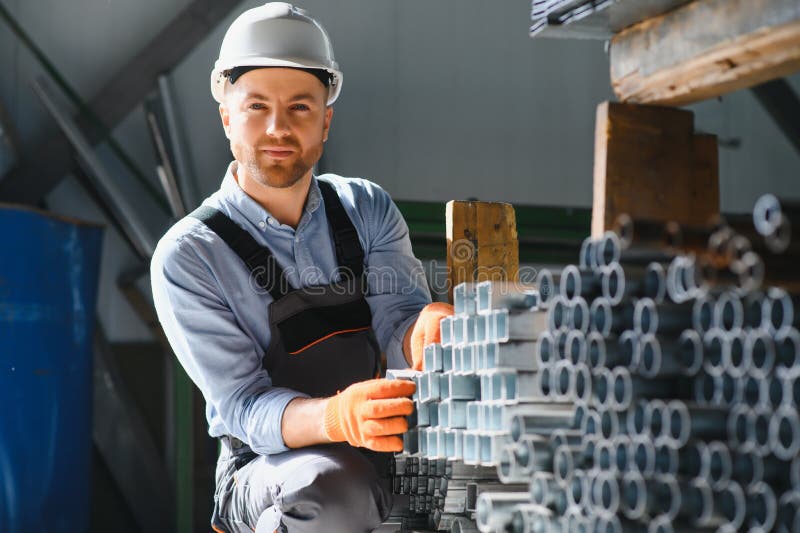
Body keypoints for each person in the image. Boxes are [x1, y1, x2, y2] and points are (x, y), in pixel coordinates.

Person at [150, 3, 454, 532]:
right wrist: (338, 417)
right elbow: (244, 406)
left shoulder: (367, 210)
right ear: (226, 114)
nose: (277, 128)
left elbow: (398, 324)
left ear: (326, 119)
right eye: (256, 106)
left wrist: (422, 333)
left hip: (380, 448)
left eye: (300, 108)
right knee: (332, 491)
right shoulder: (190, 256)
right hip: (267, 470)